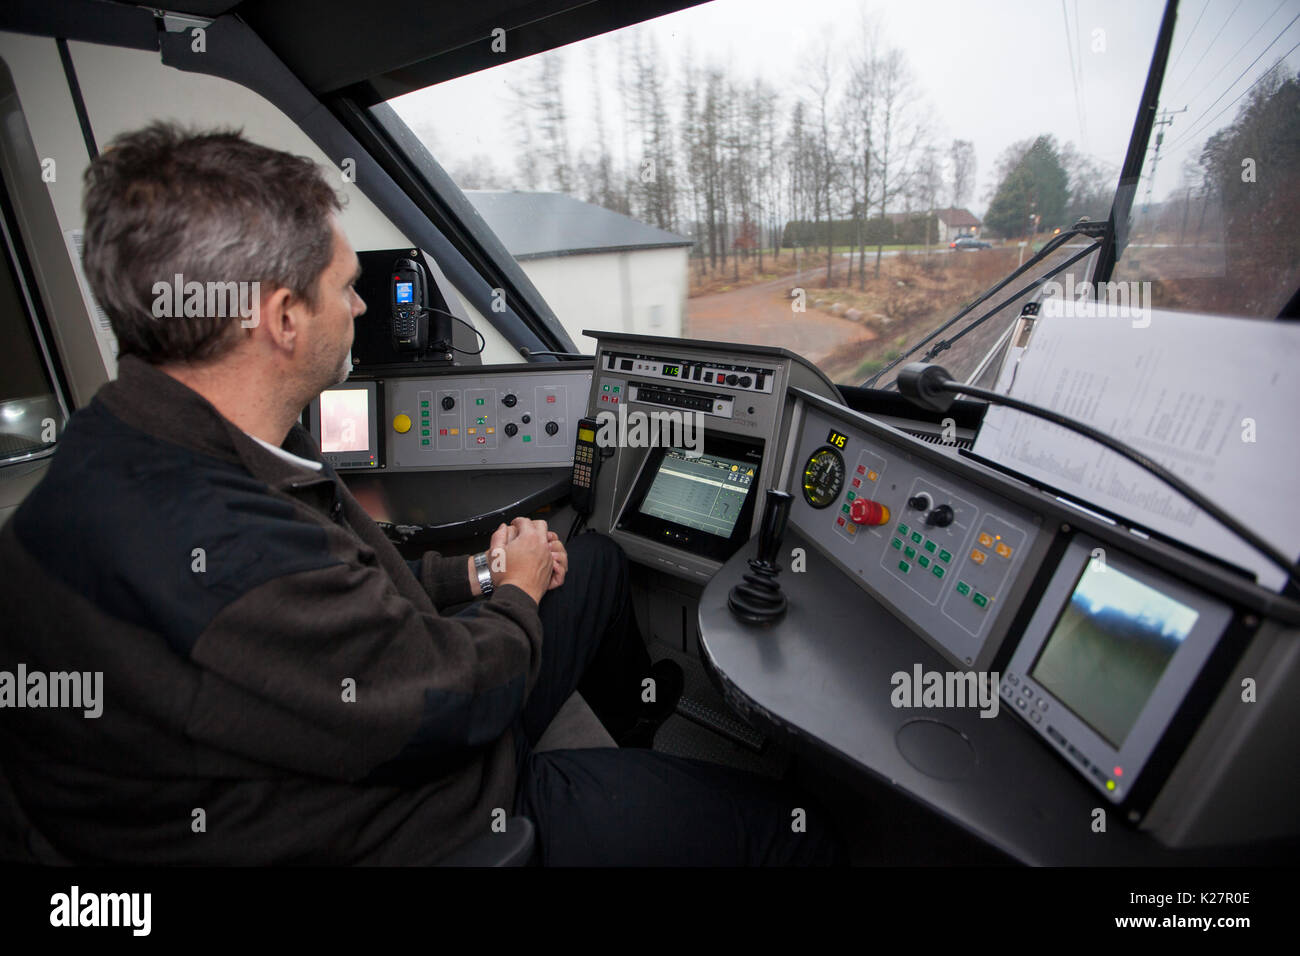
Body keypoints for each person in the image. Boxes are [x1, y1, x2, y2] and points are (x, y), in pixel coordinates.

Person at [0, 123, 837, 866]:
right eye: (345, 287)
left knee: (597, 561)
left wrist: (479, 575)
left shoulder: (119, 456)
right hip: (438, 811)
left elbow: (349, 601)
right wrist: (516, 590)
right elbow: (455, 703)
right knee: (785, 830)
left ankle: (637, 732)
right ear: (284, 319)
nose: (361, 305)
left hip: (361, 732)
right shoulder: (231, 555)